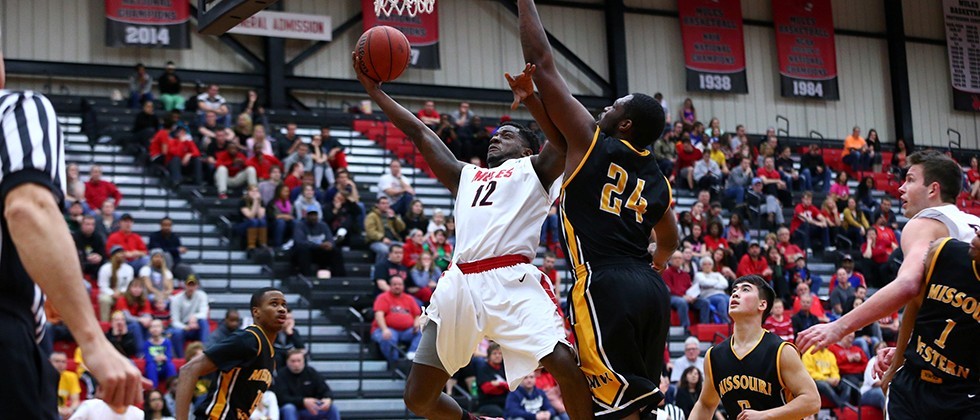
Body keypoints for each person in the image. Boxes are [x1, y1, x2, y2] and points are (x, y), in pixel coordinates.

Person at [355, 55, 593, 420]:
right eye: (495, 135)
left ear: (527, 150)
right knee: (418, 399)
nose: (496, 138)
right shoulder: (465, 175)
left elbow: (562, 143)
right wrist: (375, 92)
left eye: (507, 135)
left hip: (511, 279)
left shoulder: (534, 170)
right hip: (460, 284)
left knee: (565, 367)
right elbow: (420, 132)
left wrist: (531, 98)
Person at [519, 1, 679, 416]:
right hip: (650, 289)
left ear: (624, 124)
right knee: (638, 403)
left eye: (614, 107)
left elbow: (541, 61)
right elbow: (670, 239)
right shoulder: (659, 178)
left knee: (615, 409)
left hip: (604, 285)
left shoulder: (591, 140)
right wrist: (653, 266)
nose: (605, 109)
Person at [797, 151, 980, 355]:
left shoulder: (925, 222)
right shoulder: (973, 222)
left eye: (910, 180)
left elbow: (908, 285)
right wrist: (905, 352)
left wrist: (838, 327)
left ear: (933, 190)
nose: (901, 188)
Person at [873, 235, 980, 418]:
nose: (975, 237)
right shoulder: (944, 251)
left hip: (962, 395)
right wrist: (897, 362)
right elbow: (916, 304)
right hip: (912, 383)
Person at [688, 276, 820, 419]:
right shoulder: (714, 356)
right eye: (734, 290)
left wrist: (765, 416)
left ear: (762, 304)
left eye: (745, 289)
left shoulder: (781, 351)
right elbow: (705, 404)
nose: (736, 294)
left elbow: (812, 400)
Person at [175, 287, 287, 420]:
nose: (281, 309)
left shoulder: (270, 354)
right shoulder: (248, 339)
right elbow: (188, 370)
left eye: (283, 304)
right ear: (256, 312)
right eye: (274, 304)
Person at [274, 349, 341, 420]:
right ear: (287, 362)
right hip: (293, 409)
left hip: (311, 409)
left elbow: (326, 390)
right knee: (289, 408)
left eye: (299, 361)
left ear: (304, 361)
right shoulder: (281, 375)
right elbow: (282, 398)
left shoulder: (311, 372)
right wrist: (303, 401)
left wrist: (328, 399)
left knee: (332, 408)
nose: (296, 364)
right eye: (293, 361)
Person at [371, 276, 424, 364]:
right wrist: (384, 329)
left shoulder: (409, 299)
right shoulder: (383, 297)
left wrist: (416, 324)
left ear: (403, 286)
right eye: (394, 284)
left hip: (406, 331)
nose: (397, 286)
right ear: (390, 285)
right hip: (387, 329)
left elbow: (417, 315)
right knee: (388, 337)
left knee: (423, 332)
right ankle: (395, 363)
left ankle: (411, 356)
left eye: (399, 284)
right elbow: (379, 315)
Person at [291, 206, 346, 277]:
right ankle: (307, 277)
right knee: (303, 251)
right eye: (311, 215)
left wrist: (330, 244)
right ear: (306, 216)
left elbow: (330, 239)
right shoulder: (300, 225)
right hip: (306, 252)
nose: (313, 217)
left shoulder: (323, 225)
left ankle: (340, 278)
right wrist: (319, 245)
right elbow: (300, 242)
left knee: (335, 251)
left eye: (315, 215)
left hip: (320, 252)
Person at [169, 276, 210, 358]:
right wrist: (185, 327)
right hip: (183, 327)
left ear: (197, 286)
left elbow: (204, 314)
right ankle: (181, 358)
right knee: (177, 332)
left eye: (193, 285)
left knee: (203, 322)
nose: (191, 288)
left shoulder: (202, 295)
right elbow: (175, 321)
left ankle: (205, 352)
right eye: (189, 285)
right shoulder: (176, 299)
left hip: (196, 326)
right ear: (185, 285)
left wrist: (194, 317)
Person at [98, 245, 135, 321]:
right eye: (118, 253)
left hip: (124, 293)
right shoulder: (105, 268)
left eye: (122, 253)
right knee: (104, 299)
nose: (121, 255)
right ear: (113, 256)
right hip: (109, 294)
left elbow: (129, 285)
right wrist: (112, 293)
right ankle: (105, 323)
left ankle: (128, 321)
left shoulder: (129, 269)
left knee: (132, 297)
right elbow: (103, 286)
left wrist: (121, 292)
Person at [144, 318, 178, 389]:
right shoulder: (147, 343)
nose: (155, 329)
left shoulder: (167, 342)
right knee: (151, 366)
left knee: (170, 365)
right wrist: (155, 358)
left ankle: (173, 387)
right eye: (152, 327)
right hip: (153, 368)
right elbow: (148, 359)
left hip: (164, 367)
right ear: (149, 330)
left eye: (157, 326)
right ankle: (153, 389)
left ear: (162, 329)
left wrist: (164, 358)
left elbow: (169, 356)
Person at [51, 350, 82, 418]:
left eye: (63, 362)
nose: (60, 364)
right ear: (49, 362)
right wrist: (58, 410)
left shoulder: (71, 377)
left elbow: (75, 400)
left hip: (64, 413)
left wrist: (71, 410)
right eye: (57, 361)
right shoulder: (42, 377)